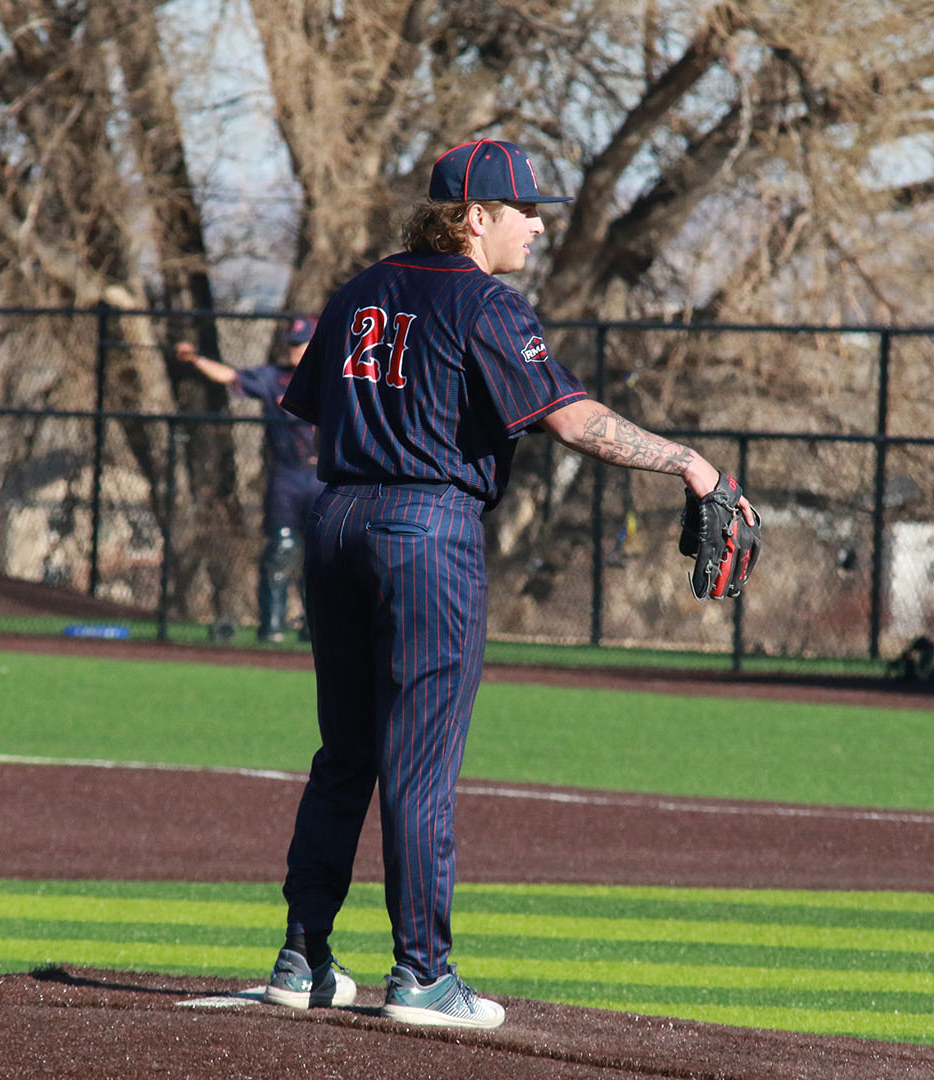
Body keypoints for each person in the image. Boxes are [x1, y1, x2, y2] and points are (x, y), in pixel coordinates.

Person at [260, 138, 756, 1028]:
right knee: (417, 764)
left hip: (336, 523)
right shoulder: (486, 299)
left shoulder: (358, 289)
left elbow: (309, 411)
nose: (537, 224)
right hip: (424, 528)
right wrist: (689, 464)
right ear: (473, 217)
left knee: (345, 753)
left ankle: (303, 959)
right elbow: (567, 416)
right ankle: (421, 975)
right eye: (524, 210)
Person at [175, 319, 325, 643]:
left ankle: (316, 628)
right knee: (281, 550)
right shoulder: (274, 378)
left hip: (322, 476)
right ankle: (271, 627)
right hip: (286, 475)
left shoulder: (333, 377)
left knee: (321, 554)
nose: (295, 349)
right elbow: (231, 376)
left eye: (302, 343)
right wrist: (196, 359)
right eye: (293, 343)